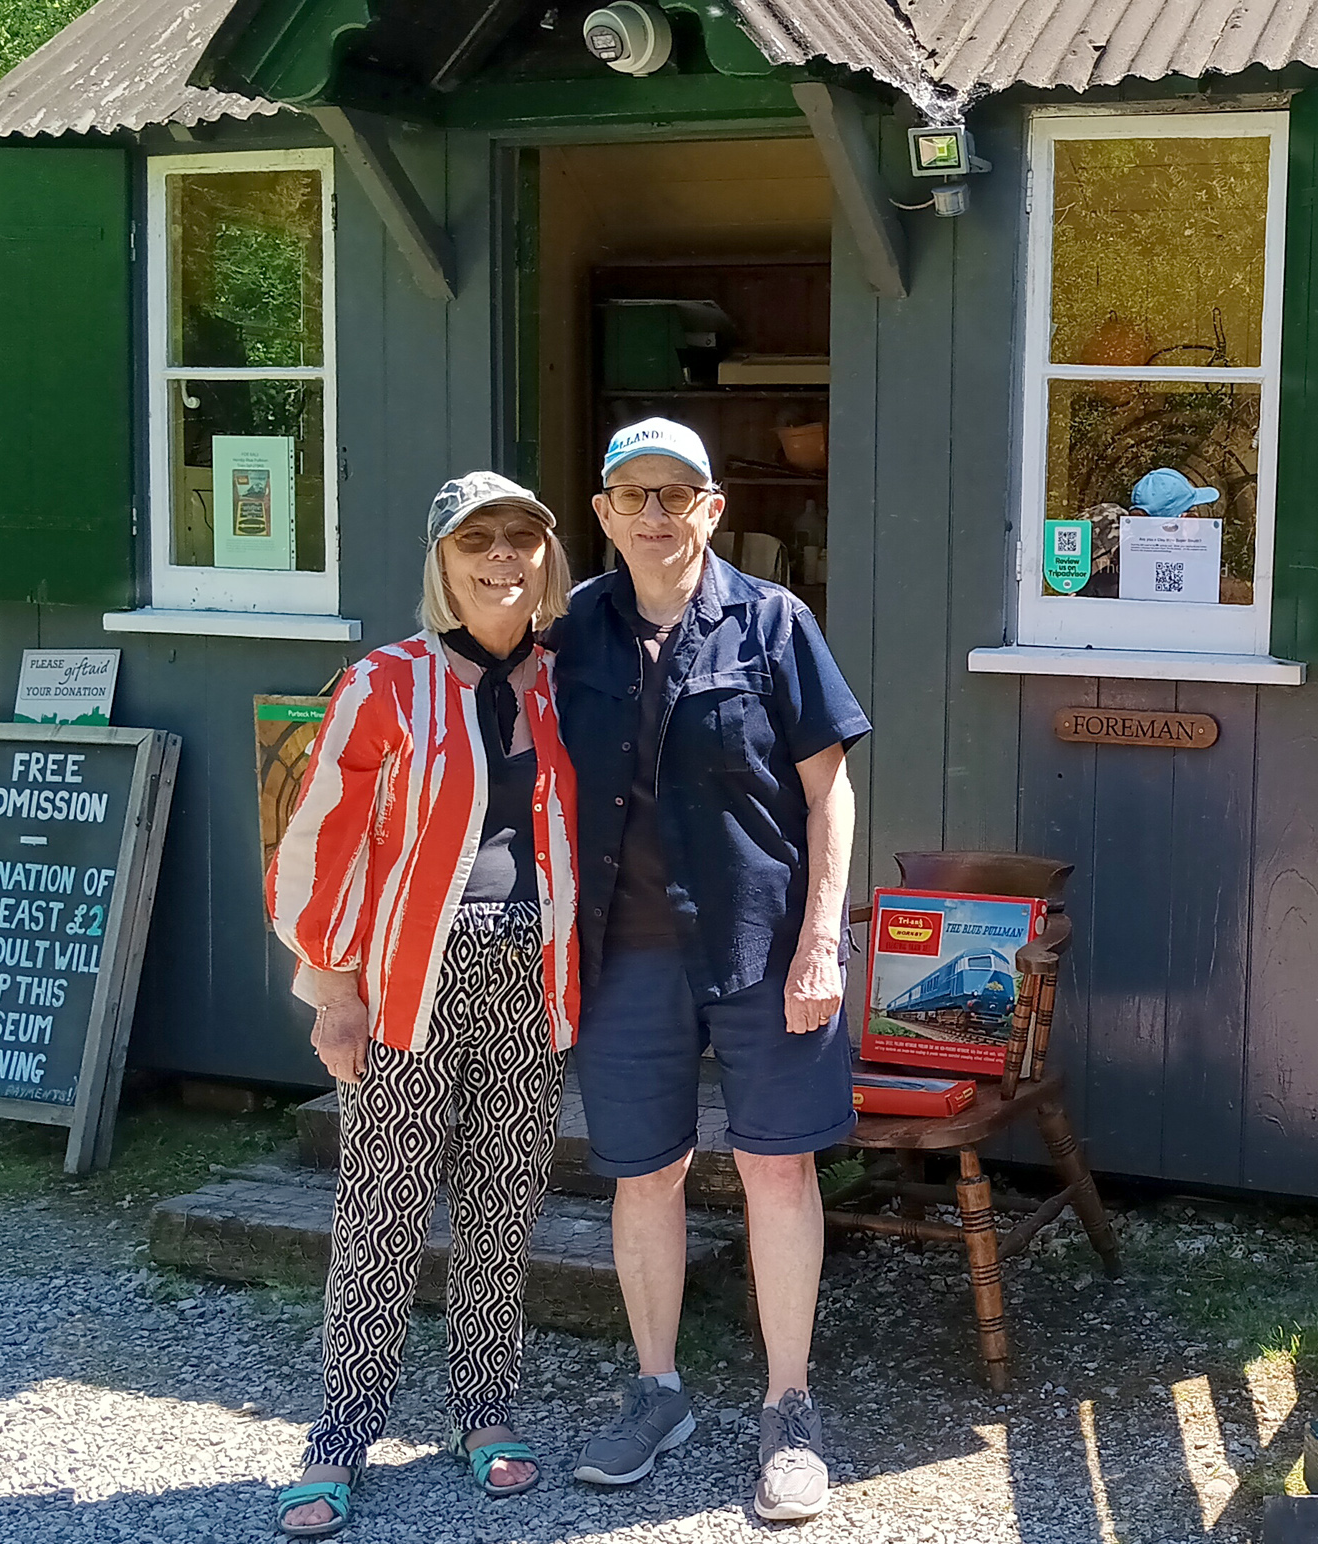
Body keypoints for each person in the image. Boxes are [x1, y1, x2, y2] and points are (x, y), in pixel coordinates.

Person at [551, 418, 868, 1521]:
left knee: (778, 1168)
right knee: (645, 1171)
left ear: (711, 508)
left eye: (674, 494)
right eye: (632, 495)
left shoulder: (774, 623)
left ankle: (788, 1409)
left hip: (762, 944)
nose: (653, 514)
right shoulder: (570, 633)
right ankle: (659, 1391)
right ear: (600, 513)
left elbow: (827, 791)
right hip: (624, 953)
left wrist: (823, 937)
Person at [265, 472, 580, 1537]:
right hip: (408, 981)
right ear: (442, 563)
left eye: (521, 539)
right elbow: (319, 842)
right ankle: (339, 1430)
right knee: (380, 1208)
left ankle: (484, 1408)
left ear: (546, 559)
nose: (502, 556)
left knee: (502, 1202)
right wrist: (332, 985)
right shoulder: (383, 683)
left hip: (529, 976)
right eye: (477, 540)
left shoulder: (565, 680)